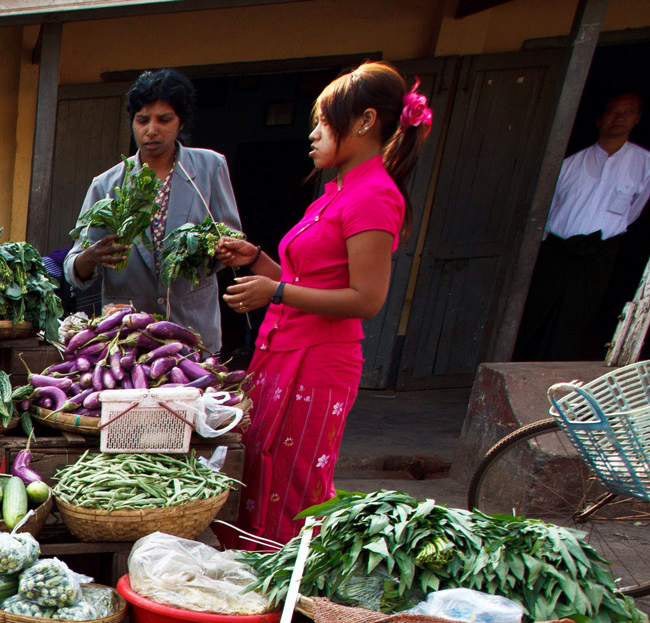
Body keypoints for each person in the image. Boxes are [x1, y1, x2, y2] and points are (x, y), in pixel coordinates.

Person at [214, 62, 429, 544]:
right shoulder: (333, 194)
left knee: (291, 489)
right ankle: (253, 592)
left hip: (316, 365)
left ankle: (285, 596)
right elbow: (307, 277)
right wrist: (258, 260)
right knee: (260, 475)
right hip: (282, 355)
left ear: (366, 121)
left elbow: (367, 299)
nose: (312, 135)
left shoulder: (374, 196)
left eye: (323, 122)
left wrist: (277, 292)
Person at [69, 70, 242, 352]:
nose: (151, 129)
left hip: (193, 331)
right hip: (128, 337)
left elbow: (232, 235)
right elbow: (74, 264)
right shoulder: (106, 185)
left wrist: (216, 250)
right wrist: (91, 256)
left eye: (164, 120)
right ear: (132, 123)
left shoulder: (210, 168)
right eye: (142, 120)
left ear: (181, 122)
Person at [515, 93, 650, 361]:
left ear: (636, 119)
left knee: (576, 316)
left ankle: (557, 371)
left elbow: (635, 209)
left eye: (627, 112)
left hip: (600, 251)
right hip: (559, 247)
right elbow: (550, 207)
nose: (619, 118)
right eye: (613, 112)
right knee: (538, 312)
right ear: (599, 120)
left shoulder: (645, 163)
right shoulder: (569, 164)